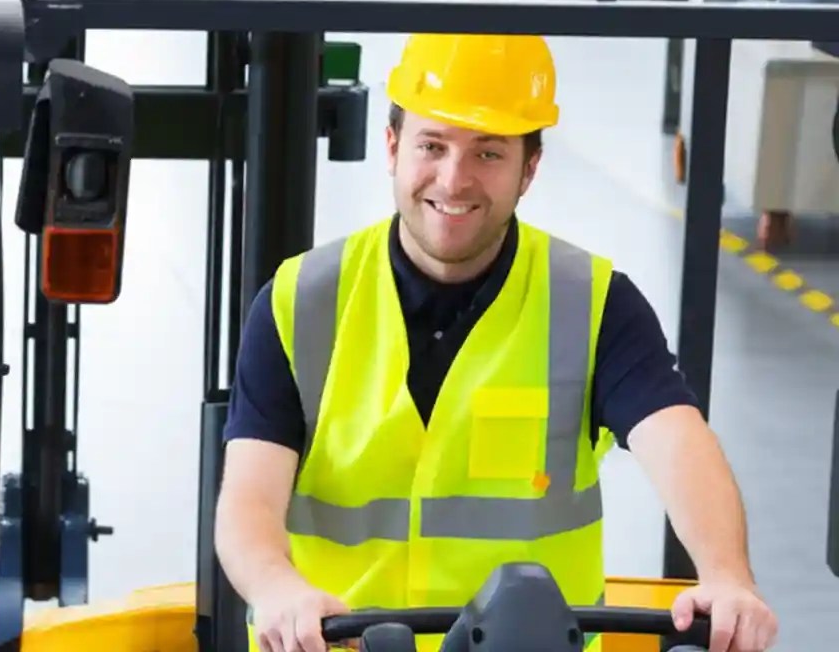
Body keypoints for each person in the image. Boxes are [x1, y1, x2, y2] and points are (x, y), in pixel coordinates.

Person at [212, 33, 778, 652]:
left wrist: (726, 575)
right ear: (393, 147)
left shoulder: (592, 305)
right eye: (433, 145)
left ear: (529, 169)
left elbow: (679, 442)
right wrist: (275, 588)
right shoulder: (301, 302)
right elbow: (248, 497)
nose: (454, 181)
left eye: (488, 153)